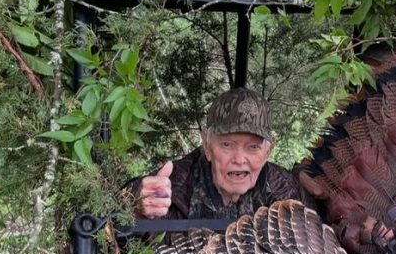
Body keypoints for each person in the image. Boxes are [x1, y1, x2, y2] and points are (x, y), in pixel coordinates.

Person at [130, 87, 309, 220]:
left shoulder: (284, 192)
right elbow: (115, 232)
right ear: (206, 145)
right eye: (227, 145)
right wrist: (135, 204)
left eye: (252, 147)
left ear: (268, 151)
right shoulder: (173, 188)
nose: (239, 160)